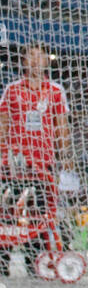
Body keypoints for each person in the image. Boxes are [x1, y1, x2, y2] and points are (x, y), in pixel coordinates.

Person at [0, 44, 76, 272]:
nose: (35, 60)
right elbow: (3, 124)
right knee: (7, 214)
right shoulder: (12, 89)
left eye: (39, 56)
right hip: (12, 165)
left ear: (46, 61)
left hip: (43, 166)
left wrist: (66, 156)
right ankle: (2, 263)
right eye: (31, 56)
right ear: (24, 61)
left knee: (41, 215)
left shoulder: (55, 91)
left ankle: (37, 264)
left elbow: (61, 126)